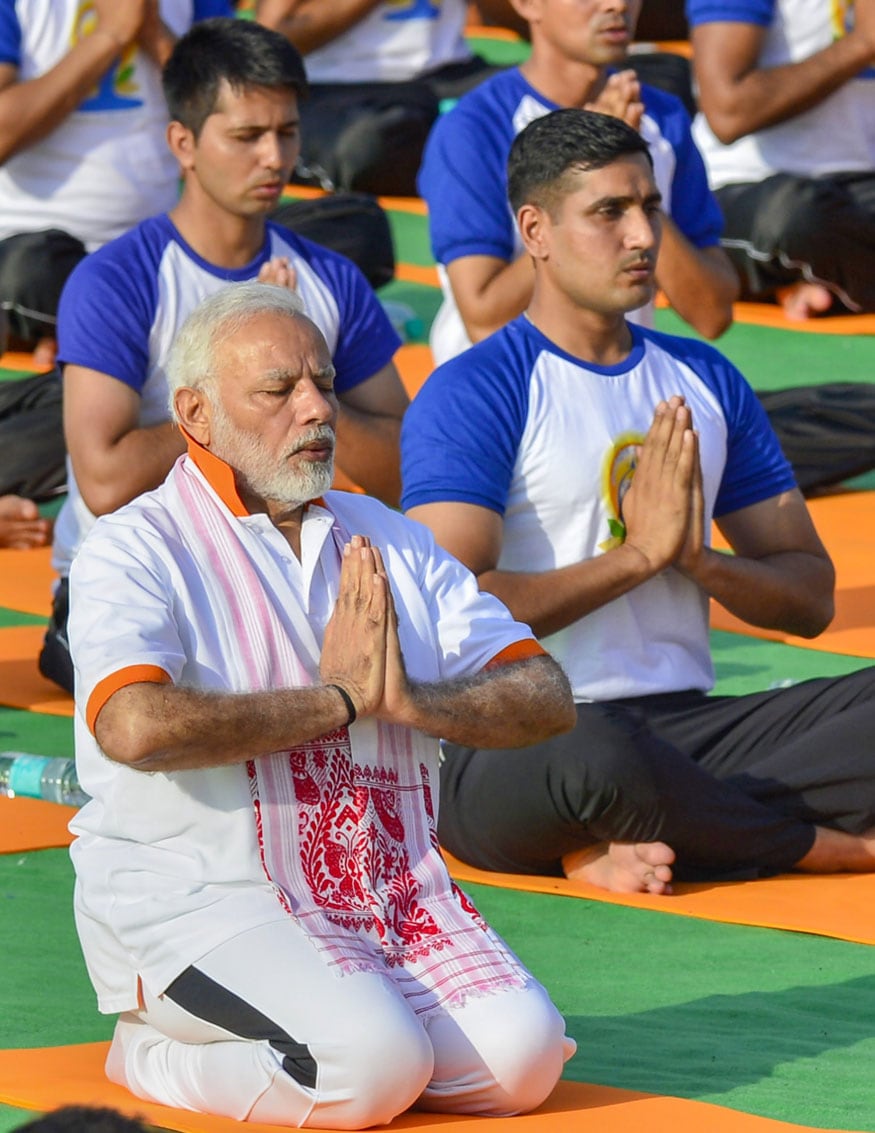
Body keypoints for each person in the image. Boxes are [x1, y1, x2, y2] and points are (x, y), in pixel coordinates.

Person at [67, 280, 575, 1127]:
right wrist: (338, 701)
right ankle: (150, 1053)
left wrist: (404, 699)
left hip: (384, 893)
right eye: (278, 390)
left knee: (523, 1065)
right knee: (372, 1072)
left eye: (324, 384)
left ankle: (353, 1025)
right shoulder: (133, 546)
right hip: (199, 899)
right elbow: (134, 724)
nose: (316, 408)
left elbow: (544, 694)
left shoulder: (388, 536)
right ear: (195, 414)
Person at [401, 108, 875, 894]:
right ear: (535, 230)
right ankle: (815, 843)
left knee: (636, 765)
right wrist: (636, 560)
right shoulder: (477, 389)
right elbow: (448, 618)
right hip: (520, 735)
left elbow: (809, 598)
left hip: (684, 729)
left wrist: (695, 560)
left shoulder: (704, 379)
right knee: (592, 751)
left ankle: (634, 832)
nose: (641, 235)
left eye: (649, 206)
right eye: (607, 212)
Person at [40, 17, 410, 694]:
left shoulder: (327, 279)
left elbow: (400, 470)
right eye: (246, 136)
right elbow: (105, 480)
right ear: (182, 141)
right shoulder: (119, 279)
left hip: (293, 578)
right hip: (144, 582)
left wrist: (303, 383)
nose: (274, 157)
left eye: (287, 132)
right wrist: (252, 395)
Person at [417, 0, 738, 366]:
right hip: (504, 400)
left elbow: (712, 313)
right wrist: (588, 168)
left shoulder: (661, 117)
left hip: (616, 392)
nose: (617, 4)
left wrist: (629, 185)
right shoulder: (474, 128)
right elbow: (486, 321)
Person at [0, 0, 233, 367]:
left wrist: (152, 32)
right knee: (29, 274)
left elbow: (234, 116)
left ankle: (91, 337)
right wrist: (107, 37)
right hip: (27, 252)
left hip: (154, 249)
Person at [686, 0, 875, 320]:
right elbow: (727, 111)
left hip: (859, 191)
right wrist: (863, 43)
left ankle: (828, 280)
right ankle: (833, 276)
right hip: (748, 188)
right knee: (799, 216)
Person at [255, 0, 500, 196]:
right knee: (367, 148)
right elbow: (272, 34)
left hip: (449, 76)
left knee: (530, 106)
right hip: (337, 89)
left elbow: (519, 15)